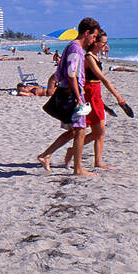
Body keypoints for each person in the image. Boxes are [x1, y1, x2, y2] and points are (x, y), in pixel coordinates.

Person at [36, 18, 100, 177]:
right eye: (93, 36)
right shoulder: (75, 49)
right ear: (87, 33)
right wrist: (78, 97)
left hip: (70, 93)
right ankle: (78, 169)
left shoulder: (73, 48)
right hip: (71, 94)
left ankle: (45, 155)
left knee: (75, 131)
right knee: (80, 130)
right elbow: (72, 75)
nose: (93, 40)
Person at [64, 30, 129, 171]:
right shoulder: (88, 57)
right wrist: (118, 96)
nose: (105, 45)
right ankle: (72, 151)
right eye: (103, 42)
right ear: (96, 42)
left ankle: (98, 161)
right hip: (89, 93)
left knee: (101, 131)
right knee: (94, 131)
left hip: (97, 93)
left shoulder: (96, 56)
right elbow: (103, 79)